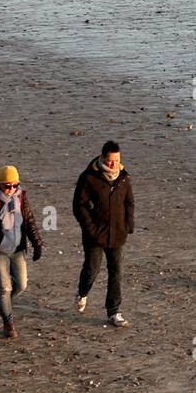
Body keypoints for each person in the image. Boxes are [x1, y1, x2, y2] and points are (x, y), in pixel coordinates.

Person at [0, 165, 43, 339]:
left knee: (21, 285)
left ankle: (2, 302)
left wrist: (37, 244)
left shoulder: (21, 199)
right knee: (5, 287)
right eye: (7, 185)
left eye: (15, 185)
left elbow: (30, 221)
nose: (11, 189)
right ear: (0, 184)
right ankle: (8, 322)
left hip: (18, 250)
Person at [72, 140, 133, 328]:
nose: (114, 164)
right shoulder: (89, 177)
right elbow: (78, 206)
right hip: (94, 235)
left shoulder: (123, 177)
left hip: (117, 234)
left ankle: (114, 311)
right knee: (92, 269)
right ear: (103, 158)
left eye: (117, 160)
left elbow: (129, 202)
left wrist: (128, 225)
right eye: (111, 160)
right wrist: (90, 229)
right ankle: (82, 293)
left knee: (116, 271)